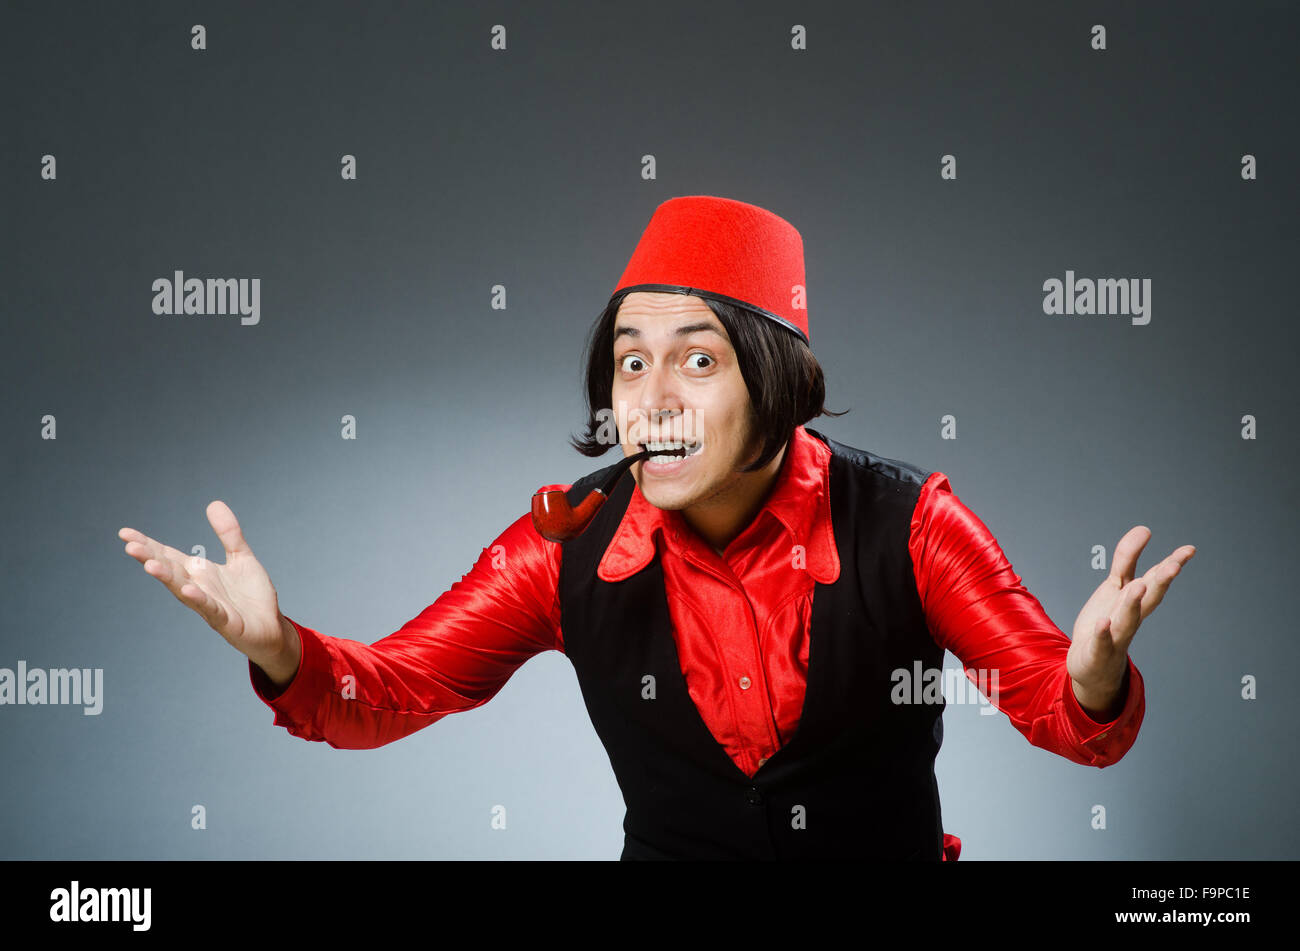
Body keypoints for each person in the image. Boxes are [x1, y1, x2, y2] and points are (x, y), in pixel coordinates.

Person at [118, 195, 1195, 860]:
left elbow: (1064, 716)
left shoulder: (911, 524)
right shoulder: (564, 543)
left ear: (773, 379)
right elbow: (389, 691)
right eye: (631, 361)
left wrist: (1092, 673)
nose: (653, 397)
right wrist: (279, 649)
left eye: (697, 358)